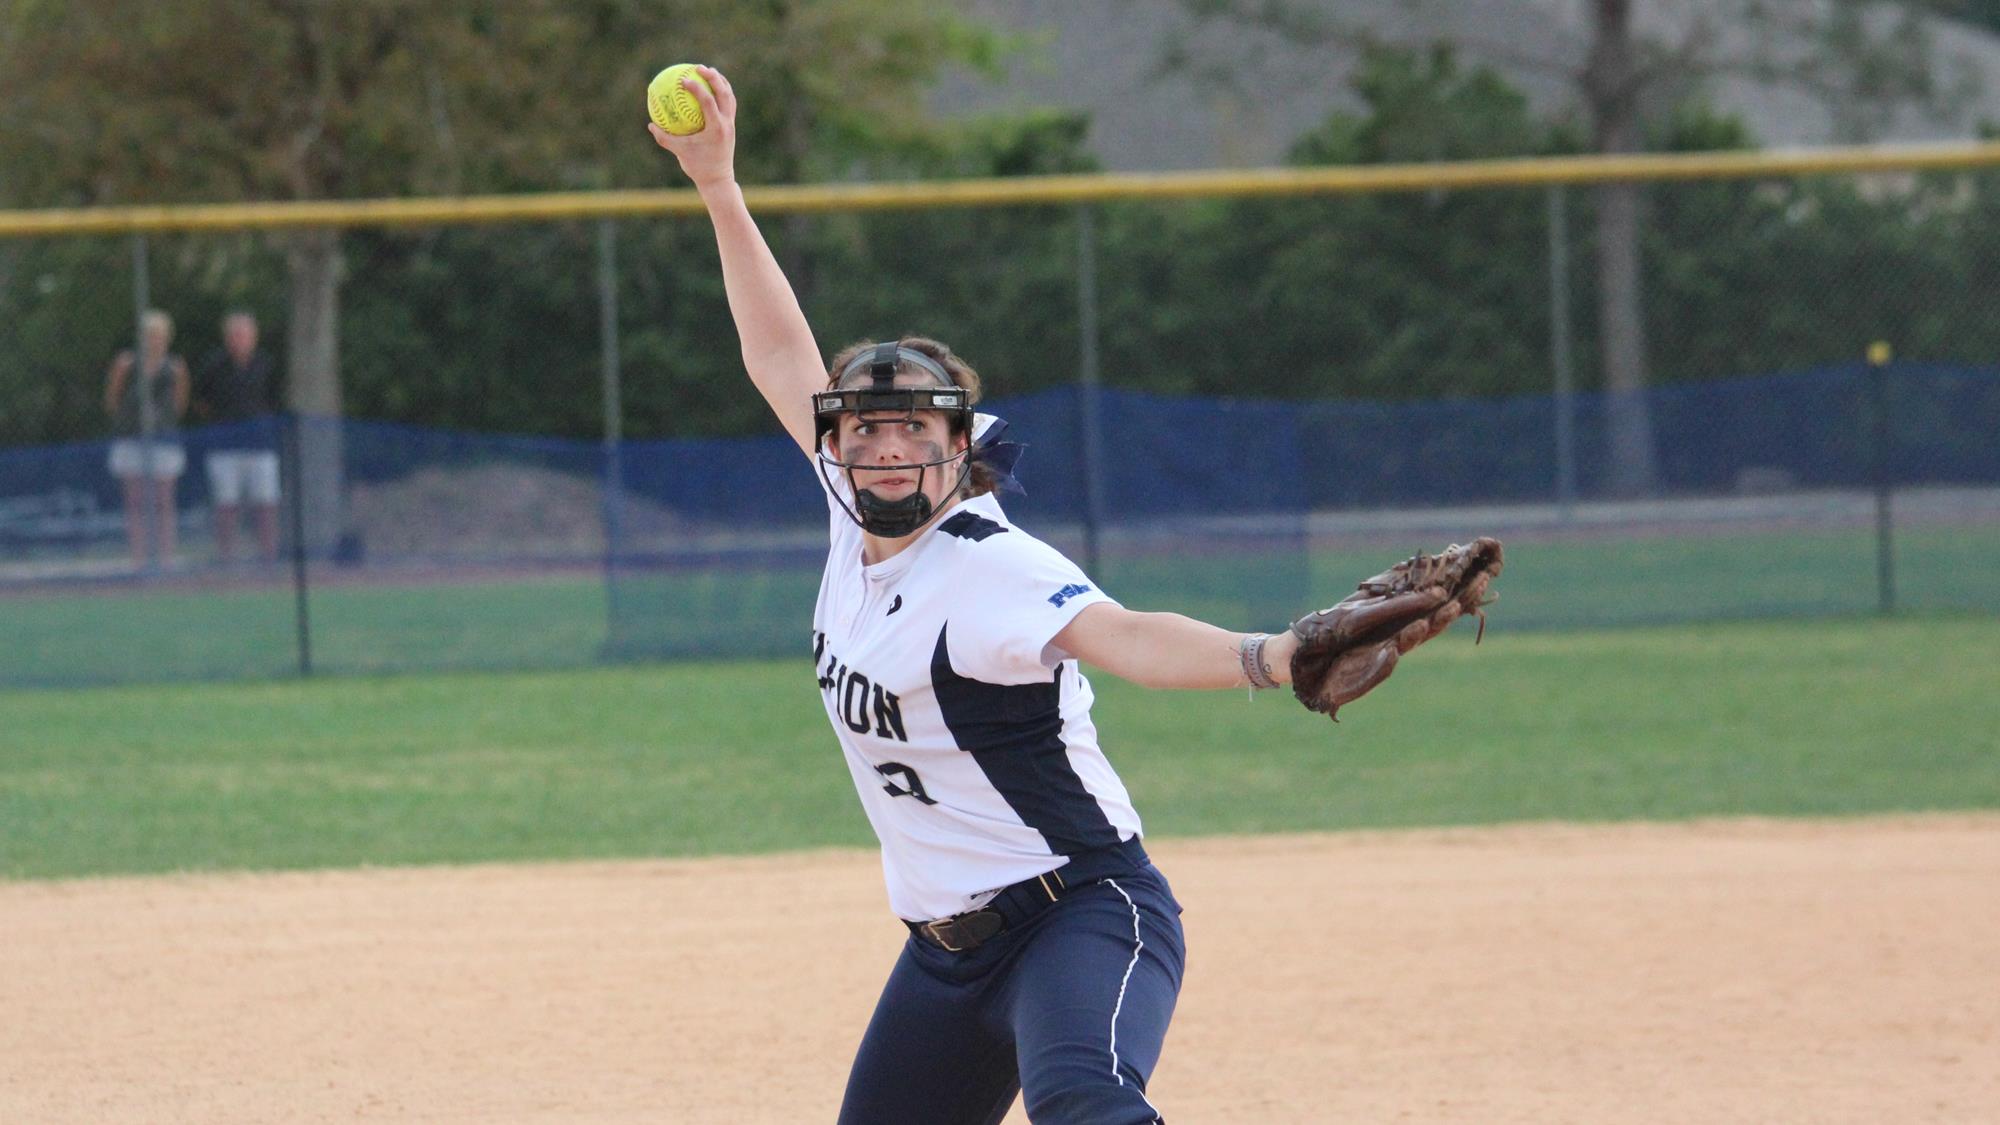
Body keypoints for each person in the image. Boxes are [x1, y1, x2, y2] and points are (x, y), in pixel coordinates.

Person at [650, 66, 1308, 1125]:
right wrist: (718, 186)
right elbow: (777, 352)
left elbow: (1129, 638)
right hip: (944, 958)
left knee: (1083, 1101)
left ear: (960, 446)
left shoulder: (987, 565)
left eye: (916, 427)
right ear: (835, 447)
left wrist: (1271, 657)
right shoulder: (848, 510)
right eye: (865, 428)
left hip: (1080, 913)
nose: (887, 446)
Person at [192, 310, 282, 562]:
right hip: (224, 445)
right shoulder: (213, 366)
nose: (239, 340)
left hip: (260, 444)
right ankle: (226, 556)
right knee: (225, 502)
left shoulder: (266, 364)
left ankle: (268, 554)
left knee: (266, 501)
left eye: (244, 335)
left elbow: (274, 398)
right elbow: (201, 401)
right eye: (235, 335)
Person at [104, 308, 191, 568]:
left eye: (159, 335)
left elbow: (179, 402)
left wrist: (162, 422)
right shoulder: (126, 364)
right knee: (135, 500)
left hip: (164, 439)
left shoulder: (175, 368)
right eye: (149, 335)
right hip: (131, 438)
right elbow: (112, 399)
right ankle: (138, 557)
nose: (154, 340)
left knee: (164, 499)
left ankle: (166, 557)